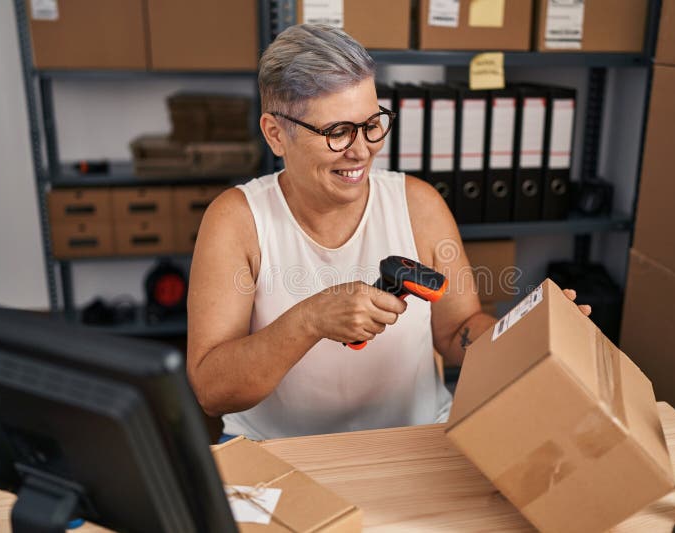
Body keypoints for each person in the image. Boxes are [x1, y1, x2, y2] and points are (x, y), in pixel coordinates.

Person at [186, 24, 590, 441]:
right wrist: (310, 320)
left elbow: (458, 330)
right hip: (278, 449)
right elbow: (212, 391)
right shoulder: (237, 220)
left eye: (371, 124)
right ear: (276, 134)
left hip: (410, 441)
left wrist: (524, 340)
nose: (362, 150)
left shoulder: (419, 204)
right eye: (337, 132)